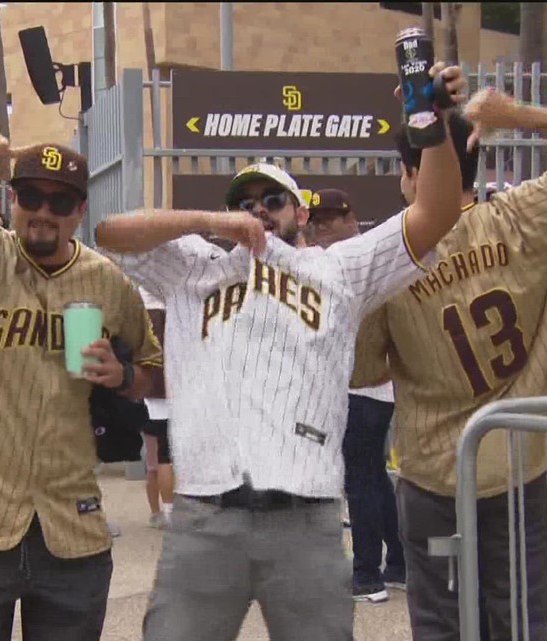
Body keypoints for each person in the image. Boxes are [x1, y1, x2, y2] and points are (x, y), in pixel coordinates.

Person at [95, 64, 469, 641]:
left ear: (300, 211)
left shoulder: (336, 268)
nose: (259, 208)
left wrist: (432, 127)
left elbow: (436, 214)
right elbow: (110, 232)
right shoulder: (195, 264)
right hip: (204, 516)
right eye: (245, 201)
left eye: (273, 198)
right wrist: (210, 220)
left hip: (306, 516)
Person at [350, 87, 547, 641]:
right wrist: (511, 113)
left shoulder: (388, 251)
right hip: (519, 462)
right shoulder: (519, 213)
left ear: (412, 171)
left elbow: (365, 371)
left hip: (432, 471)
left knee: (439, 619)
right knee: (521, 616)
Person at [0, 134, 163, 641]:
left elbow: (150, 366)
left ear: (80, 210)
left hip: (69, 522)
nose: (43, 212)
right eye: (31, 197)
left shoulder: (108, 282)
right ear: (13, 200)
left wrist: (124, 375)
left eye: (60, 201)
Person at [308, 188, 407, 603]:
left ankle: (367, 574)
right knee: (375, 477)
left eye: (330, 220)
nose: (323, 228)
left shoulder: (357, 264)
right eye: (319, 221)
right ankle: (399, 562)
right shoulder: (355, 260)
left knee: (360, 480)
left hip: (363, 386)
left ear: (349, 220)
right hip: (370, 386)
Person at [139, 286, 175, 529]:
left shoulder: (140, 317)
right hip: (170, 393)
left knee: (152, 461)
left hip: (145, 393)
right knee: (167, 456)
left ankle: (155, 512)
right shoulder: (173, 314)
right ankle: (171, 511)